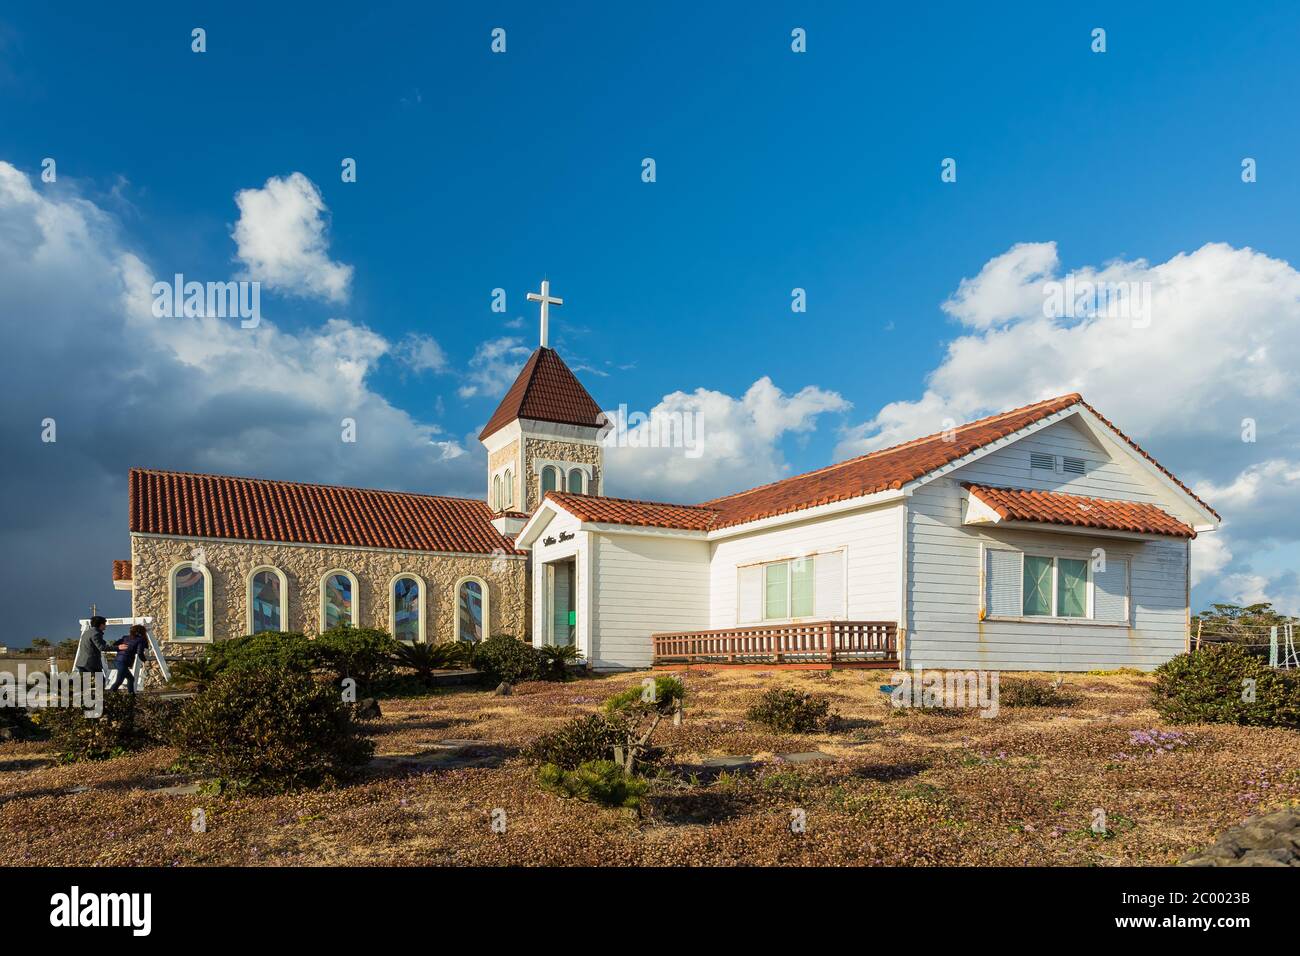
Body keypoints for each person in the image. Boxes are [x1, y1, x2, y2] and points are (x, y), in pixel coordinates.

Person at [106, 624, 149, 694]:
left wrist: (120, 647)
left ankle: (131, 696)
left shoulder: (125, 637)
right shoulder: (141, 640)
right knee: (119, 681)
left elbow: (114, 644)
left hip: (117, 661)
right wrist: (144, 660)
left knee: (131, 679)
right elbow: (140, 653)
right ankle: (109, 696)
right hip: (123, 662)